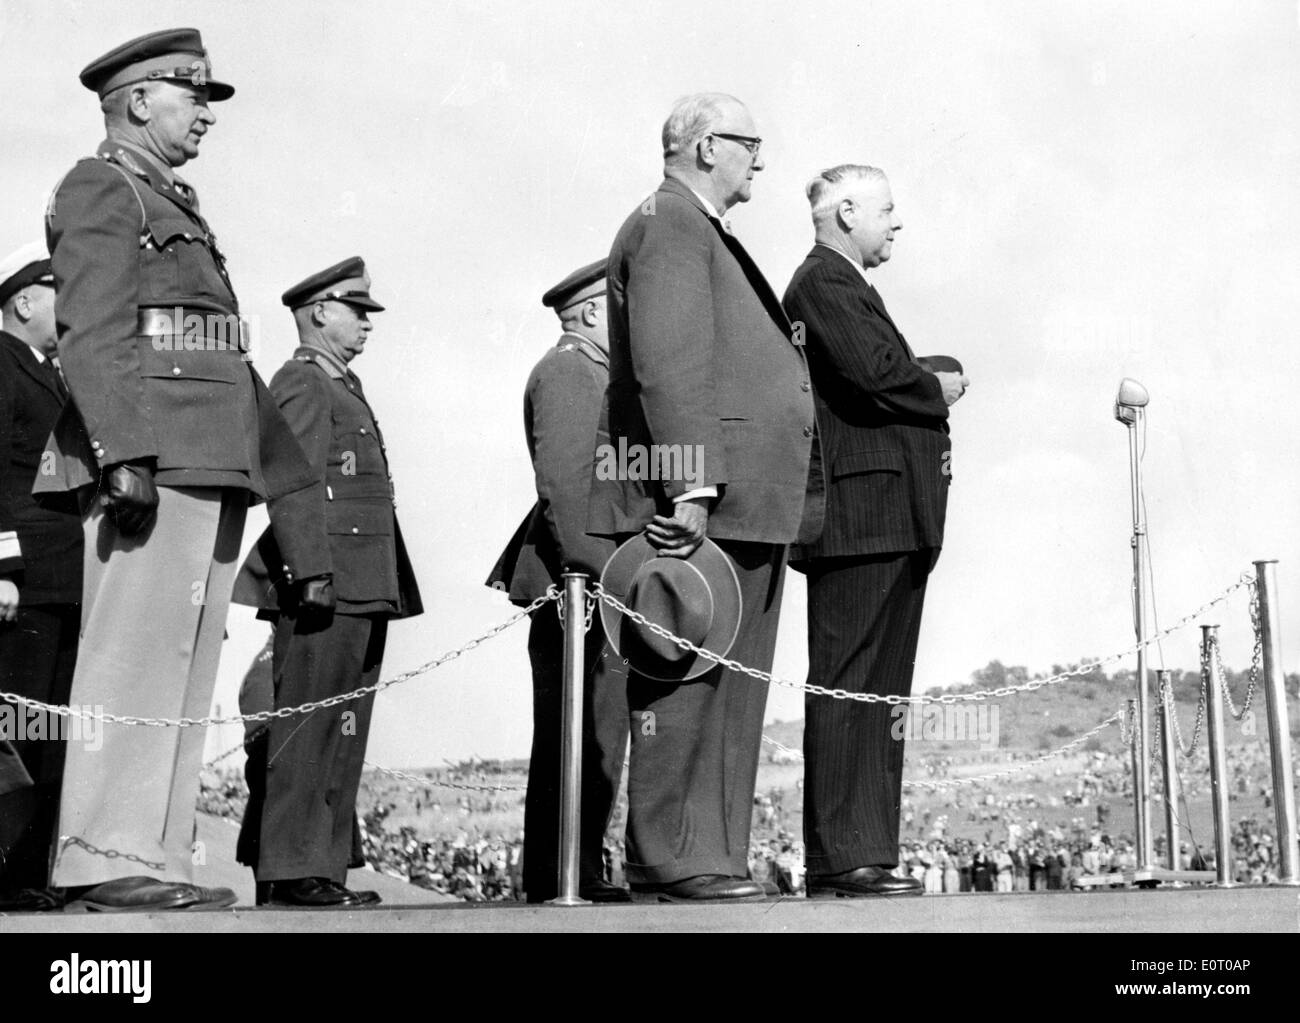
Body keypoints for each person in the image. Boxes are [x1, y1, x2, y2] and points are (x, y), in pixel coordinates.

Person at [38, 28, 331, 912]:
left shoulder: (174, 198)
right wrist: (122, 452)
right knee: (129, 660)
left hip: (205, 459)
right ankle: (98, 854)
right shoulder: (102, 187)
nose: (206, 113)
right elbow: (92, 327)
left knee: (179, 663)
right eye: (191, 94)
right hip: (154, 459)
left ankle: (151, 853)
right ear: (136, 100)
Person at [587, 92, 820, 903]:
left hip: (742, 498)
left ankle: (708, 854)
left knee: (729, 689)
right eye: (753, 144)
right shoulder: (671, 225)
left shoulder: (692, 226)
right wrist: (690, 481)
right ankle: (671, 852)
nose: (761, 160)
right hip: (707, 501)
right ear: (708, 146)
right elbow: (668, 361)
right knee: (685, 678)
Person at [783, 164, 968, 898]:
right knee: (852, 686)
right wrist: (935, 384)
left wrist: (917, 376)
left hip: (886, 519)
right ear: (847, 210)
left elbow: (877, 369)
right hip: (862, 520)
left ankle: (863, 850)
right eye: (888, 209)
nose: (897, 222)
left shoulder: (841, 283)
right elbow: (874, 373)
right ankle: (844, 853)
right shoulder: (823, 283)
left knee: (875, 693)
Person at [235, 257, 423, 907]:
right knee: (306, 726)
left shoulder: (341, 382)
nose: (368, 324)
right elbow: (293, 482)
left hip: (362, 580)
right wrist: (311, 570)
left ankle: (321, 865)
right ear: (320, 312)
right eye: (357, 311)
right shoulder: (303, 382)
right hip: (328, 581)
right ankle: (290, 870)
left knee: (341, 725)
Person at [486, 259, 630, 903]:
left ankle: (577, 866)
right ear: (594, 311)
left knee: (595, 731)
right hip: (579, 582)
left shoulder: (590, 371)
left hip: (591, 581)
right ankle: (561, 872)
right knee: (576, 731)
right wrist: (600, 574)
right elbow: (569, 490)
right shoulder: (571, 372)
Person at [0, 244, 82, 913]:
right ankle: (9, 873)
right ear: (24, 300)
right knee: (18, 727)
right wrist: (0, 570)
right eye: (58, 289)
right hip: (23, 578)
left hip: (61, 575)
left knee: (50, 729)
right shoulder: (1, 363)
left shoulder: (46, 371)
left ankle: (31, 873)